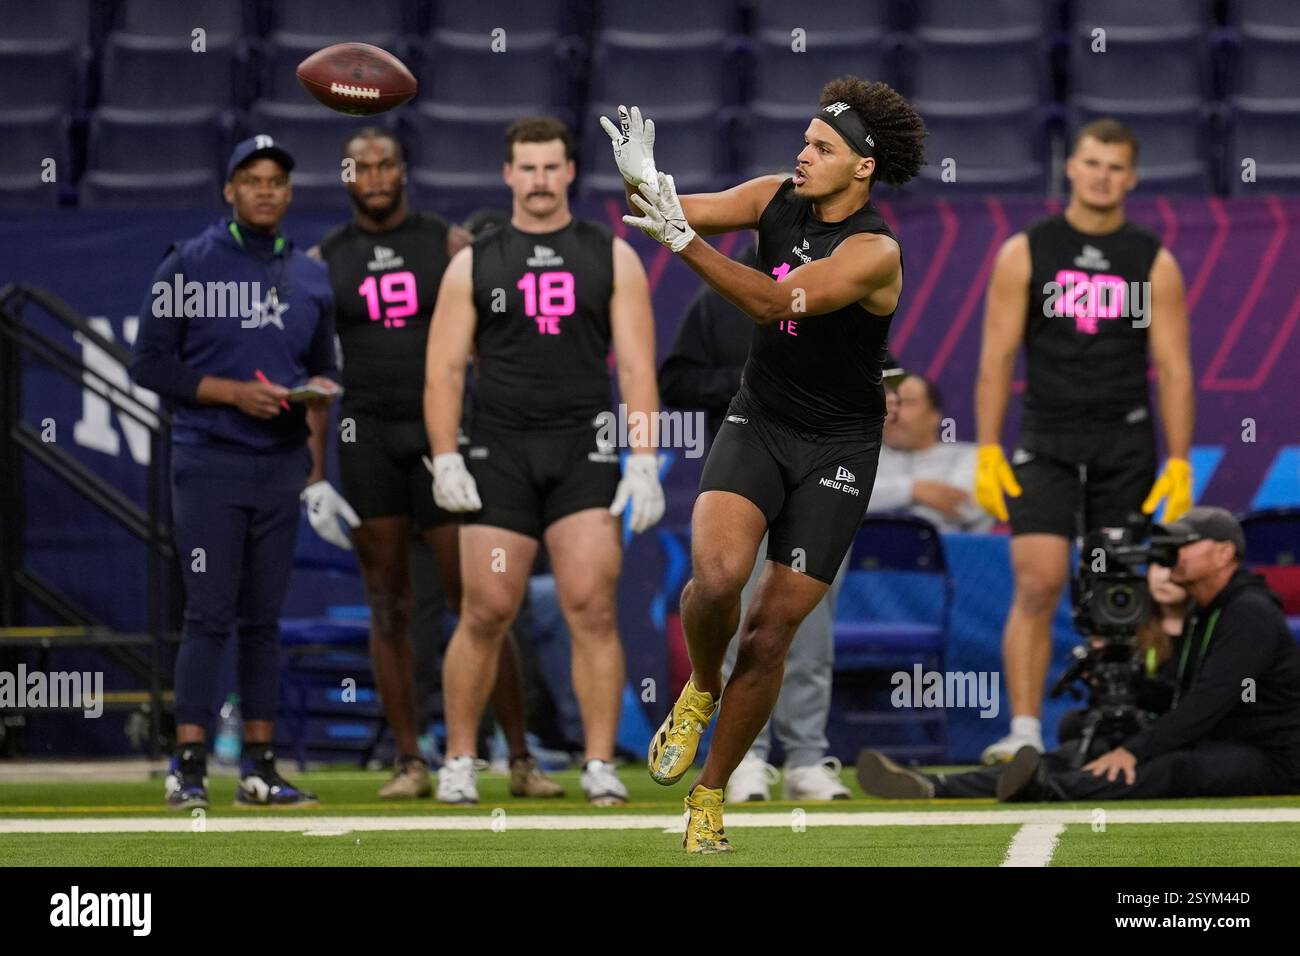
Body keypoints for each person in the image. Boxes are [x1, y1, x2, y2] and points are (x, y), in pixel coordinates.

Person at [607, 75, 927, 851]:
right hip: (760, 419)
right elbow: (688, 205)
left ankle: (709, 798)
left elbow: (771, 302)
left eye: (822, 147)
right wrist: (643, 177)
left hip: (839, 446)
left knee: (771, 633)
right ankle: (701, 689)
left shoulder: (875, 251)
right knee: (715, 578)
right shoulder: (776, 196)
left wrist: (682, 241)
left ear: (862, 167)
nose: (803, 155)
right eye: (805, 140)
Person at [312, 133, 561, 800]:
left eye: (386, 163)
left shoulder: (450, 244)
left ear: (404, 169)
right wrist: (313, 479)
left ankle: (518, 757)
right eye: (361, 165)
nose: (374, 175)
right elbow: (311, 374)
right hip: (366, 437)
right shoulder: (322, 260)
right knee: (388, 605)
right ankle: (409, 761)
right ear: (345, 176)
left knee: (480, 601)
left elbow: (493, 346)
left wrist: (497, 435)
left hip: (444, 437)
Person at [425, 115, 664, 806]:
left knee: (590, 607)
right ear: (508, 176)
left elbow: (639, 370)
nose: (537, 180)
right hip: (498, 454)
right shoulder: (474, 261)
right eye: (525, 168)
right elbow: (442, 372)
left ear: (568, 173)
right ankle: (461, 761)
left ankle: (596, 763)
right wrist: (445, 457)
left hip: (582, 455)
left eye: (549, 167)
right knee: (487, 608)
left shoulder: (610, 253)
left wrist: (643, 459)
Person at [974, 118, 1196, 763]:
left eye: (1116, 166)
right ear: (1071, 167)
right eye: (1092, 163)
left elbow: (1176, 370)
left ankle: (1118, 725)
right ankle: (1022, 731)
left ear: (1132, 177)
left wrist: (1180, 460)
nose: (1103, 176)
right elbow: (996, 358)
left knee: (1118, 596)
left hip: (1124, 443)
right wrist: (987, 445)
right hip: (1045, 438)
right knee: (1039, 581)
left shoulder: (1154, 260)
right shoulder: (1026, 250)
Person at [131, 136, 342, 809]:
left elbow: (325, 366)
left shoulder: (311, 275)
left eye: (276, 180)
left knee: (263, 620)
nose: (264, 190)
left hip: (280, 462)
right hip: (210, 460)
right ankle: (188, 764)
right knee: (209, 613)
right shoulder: (188, 265)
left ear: (288, 192)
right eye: (250, 179)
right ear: (229, 190)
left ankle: (260, 765)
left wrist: (315, 413)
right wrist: (231, 392)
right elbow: (150, 365)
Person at [860, 508, 1300, 801]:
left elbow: (1209, 702)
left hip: (1270, 757)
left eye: (1184, 544)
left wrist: (1137, 749)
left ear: (1224, 553)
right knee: (1090, 746)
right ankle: (936, 785)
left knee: (1163, 766)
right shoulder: (1207, 612)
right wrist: (1132, 689)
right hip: (1221, 738)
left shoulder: (1248, 615)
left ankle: (1046, 791)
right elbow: (1181, 695)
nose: (1171, 554)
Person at [659, 246, 851, 802]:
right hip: (746, 470)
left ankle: (809, 757)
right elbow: (676, 380)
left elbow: (875, 367)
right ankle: (745, 759)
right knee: (735, 610)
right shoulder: (721, 290)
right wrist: (746, 381)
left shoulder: (841, 277)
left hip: (822, 463)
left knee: (808, 626)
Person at [867, 372, 991, 533]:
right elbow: (836, 500)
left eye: (907, 402)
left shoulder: (972, 457)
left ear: (935, 416)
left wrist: (879, 499)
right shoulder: (860, 458)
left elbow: (966, 508)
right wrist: (912, 490)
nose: (892, 413)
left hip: (946, 555)